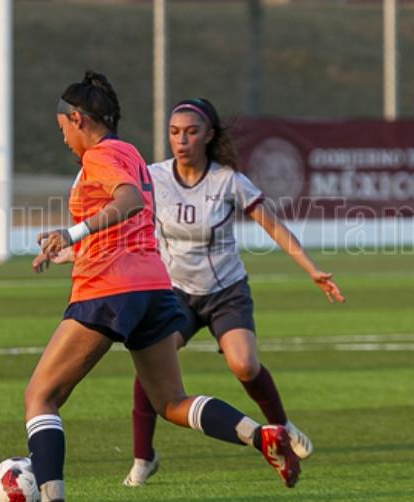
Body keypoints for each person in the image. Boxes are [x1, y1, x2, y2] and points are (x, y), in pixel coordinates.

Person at [26, 72, 301, 501]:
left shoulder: (99, 156)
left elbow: (130, 201)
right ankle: (259, 434)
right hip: (154, 288)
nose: (62, 138)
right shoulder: (131, 153)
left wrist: (74, 232)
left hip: (108, 291)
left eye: (62, 127)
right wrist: (74, 251)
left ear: (77, 119)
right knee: (171, 402)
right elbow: (130, 226)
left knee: (41, 397)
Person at [122, 97, 345, 486]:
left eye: (191, 132)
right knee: (154, 359)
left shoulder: (228, 180)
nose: (182, 140)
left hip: (226, 292)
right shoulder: (154, 177)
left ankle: (282, 428)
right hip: (175, 293)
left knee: (244, 365)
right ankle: (144, 458)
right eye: (175, 132)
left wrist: (312, 270)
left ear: (208, 135)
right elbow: (121, 216)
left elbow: (273, 226)